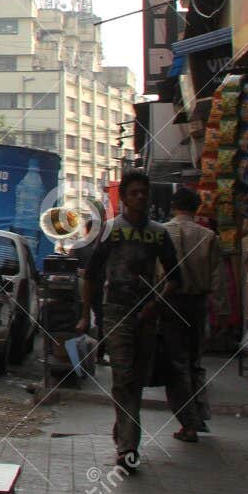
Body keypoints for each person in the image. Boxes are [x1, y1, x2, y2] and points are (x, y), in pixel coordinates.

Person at [77, 170, 184, 471]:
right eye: (134, 193)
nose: (140, 198)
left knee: (136, 379)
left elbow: (176, 278)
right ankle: (128, 447)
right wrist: (86, 314)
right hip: (116, 311)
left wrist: (156, 304)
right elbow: (93, 275)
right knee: (123, 375)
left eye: (144, 192)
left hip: (146, 315)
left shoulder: (158, 234)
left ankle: (123, 429)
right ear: (123, 197)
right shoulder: (112, 231)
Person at [162, 187, 221, 438]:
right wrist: (220, 313)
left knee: (177, 363)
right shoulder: (208, 236)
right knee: (195, 362)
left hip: (170, 303)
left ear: (174, 205)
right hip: (198, 304)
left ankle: (188, 421)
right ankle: (198, 417)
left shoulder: (162, 232)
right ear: (196, 209)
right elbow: (217, 280)